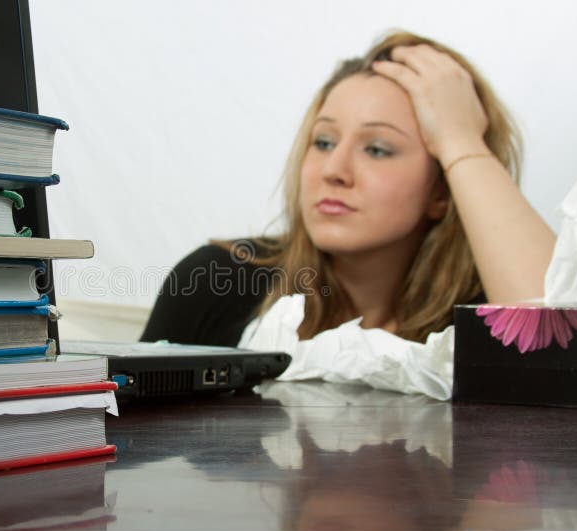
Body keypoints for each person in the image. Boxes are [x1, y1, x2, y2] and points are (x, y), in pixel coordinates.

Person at [141, 30, 555, 346]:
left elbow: (555, 337)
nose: (334, 170)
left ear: (442, 192)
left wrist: (462, 142)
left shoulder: (486, 315)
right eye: (323, 142)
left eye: (376, 149)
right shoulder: (214, 281)